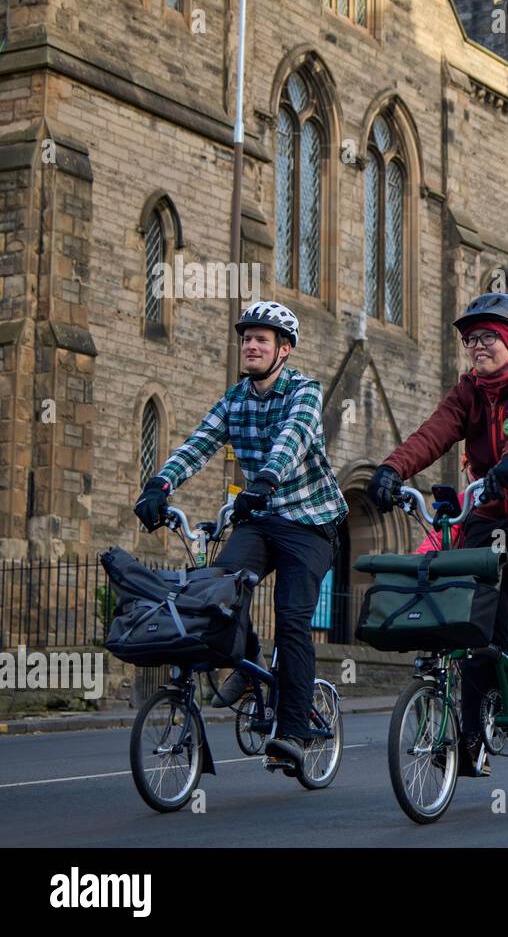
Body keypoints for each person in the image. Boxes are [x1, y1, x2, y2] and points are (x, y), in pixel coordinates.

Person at [365, 292, 508, 777]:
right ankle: (469, 740)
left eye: (487, 337)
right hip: (490, 511)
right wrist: (391, 469)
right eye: (470, 339)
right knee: (475, 622)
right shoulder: (468, 392)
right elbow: (433, 432)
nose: (476, 346)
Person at [134, 301, 347, 773]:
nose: (251, 345)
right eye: (247, 338)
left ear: (284, 350)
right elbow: (199, 442)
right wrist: (159, 484)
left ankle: (292, 731)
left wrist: (265, 480)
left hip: (310, 523)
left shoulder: (304, 392)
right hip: (261, 515)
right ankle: (251, 671)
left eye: (262, 339)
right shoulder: (235, 398)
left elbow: (292, 439)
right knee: (220, 586)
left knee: (292, 619)